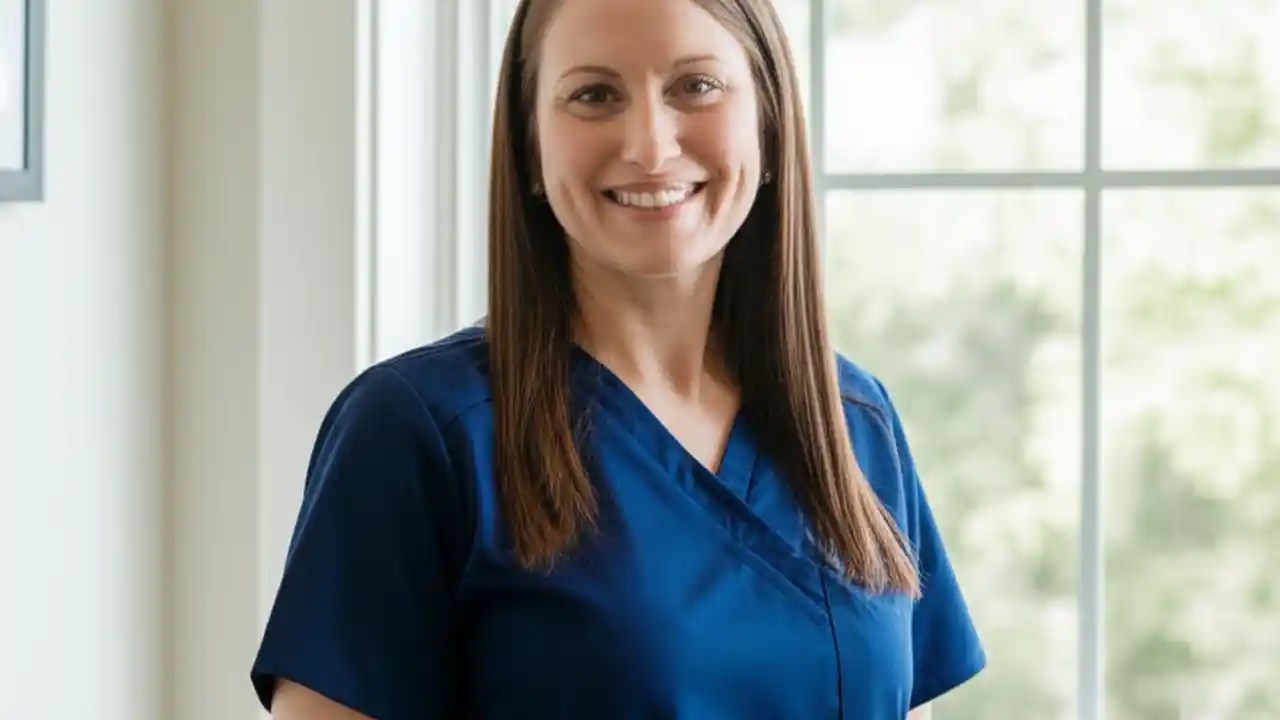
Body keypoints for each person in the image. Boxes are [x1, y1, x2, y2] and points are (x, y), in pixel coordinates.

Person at [250, 0, 986, 717]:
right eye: (594, 95)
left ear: (767, 119)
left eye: (696, 86)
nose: (651, 146)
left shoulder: (852, 420)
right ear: (530, 148)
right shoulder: (418, 430)